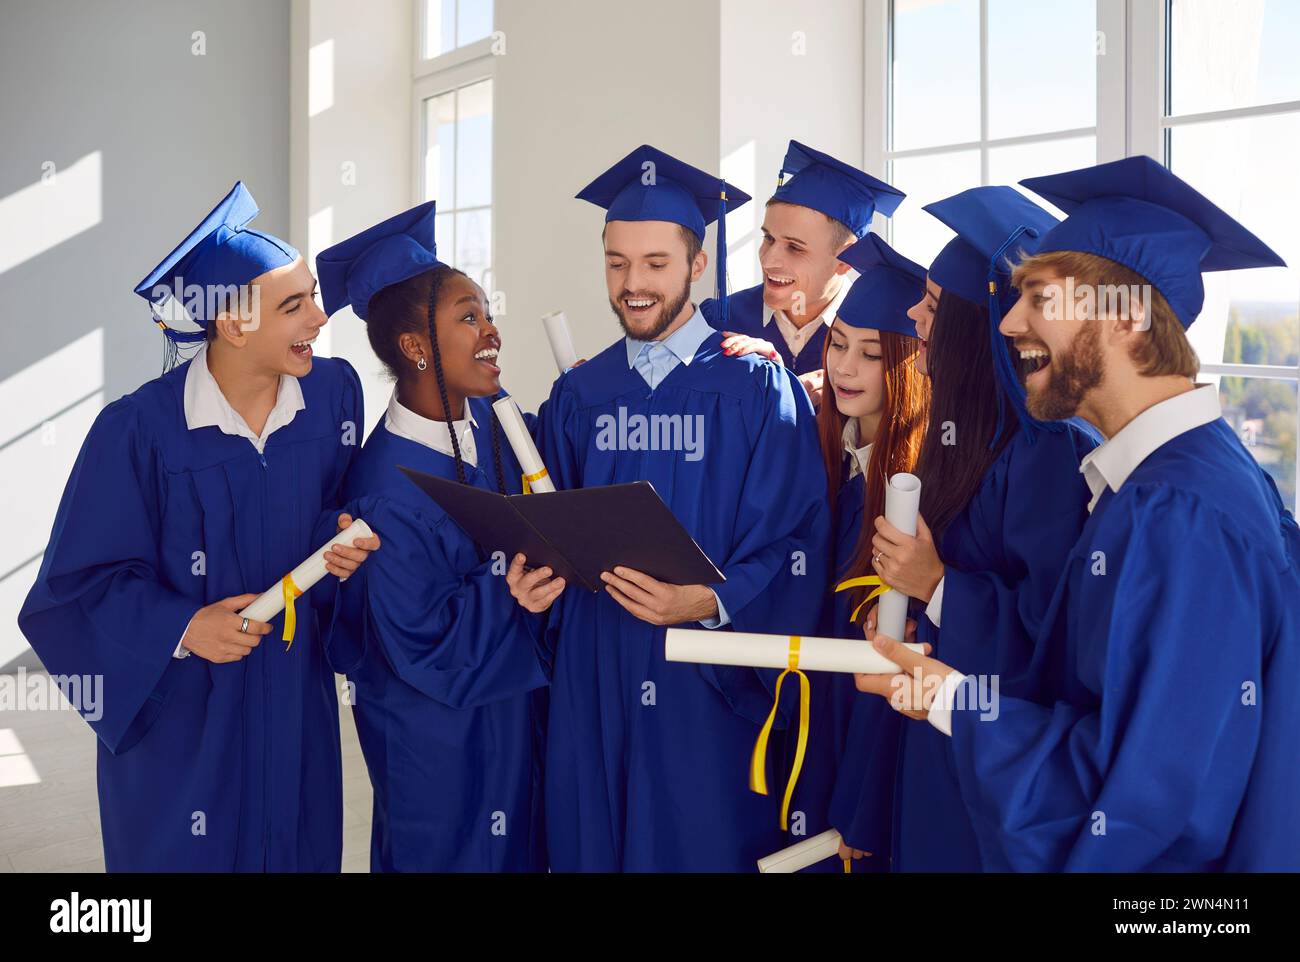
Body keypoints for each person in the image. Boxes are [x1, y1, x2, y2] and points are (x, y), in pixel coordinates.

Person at [865, 155, 1300, 871]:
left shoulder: (1178, 513)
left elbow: (1145, 806)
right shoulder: (1176, 481)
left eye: (1040, 297)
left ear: (1125, 316)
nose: (1007, 321)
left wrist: (953, 701)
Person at [19, 182, 379, 871]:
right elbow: (76, 587)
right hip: (184, 713)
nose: (320, 317)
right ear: (234, 324)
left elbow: (335, 504)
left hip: (291, 695)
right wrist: (182, 629)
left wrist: (340, 537)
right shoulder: (139, 432)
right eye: (295, 304)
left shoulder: (333, 394)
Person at [515, 144, 830, 871]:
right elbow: (551, 526)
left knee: (696, 842)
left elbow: (795, 539)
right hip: (594, 674)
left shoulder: (754, 384)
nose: (633, 284)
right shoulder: (580, 395)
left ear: (697, 267)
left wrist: (709, 602)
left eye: (656, 263)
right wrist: (535, 581)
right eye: (616, 263)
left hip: (704, 679)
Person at [853, 186, 1099, 870]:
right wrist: (913, 618)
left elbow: (1052, 636)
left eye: (932, 306)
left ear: (975, 323)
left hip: (996, 758)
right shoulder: (960, 434)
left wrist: (936, 586)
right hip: (936, 733)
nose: (912, 315)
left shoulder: (1048, 452)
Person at [316, 202, 550, 872]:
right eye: (469, 317)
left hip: (509, 715)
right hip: (434, 738)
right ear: (415, 347)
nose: (491, 331)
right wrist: (507, 592)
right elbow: (421, 642)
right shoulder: (381, 488)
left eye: (486, 313)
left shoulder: (500, 431)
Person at [702, 141, 905, 408]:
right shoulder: (719, 320)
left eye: (795, 248)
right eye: (769, 238)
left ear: (846, 260)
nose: (769, 259)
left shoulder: (880, 337)